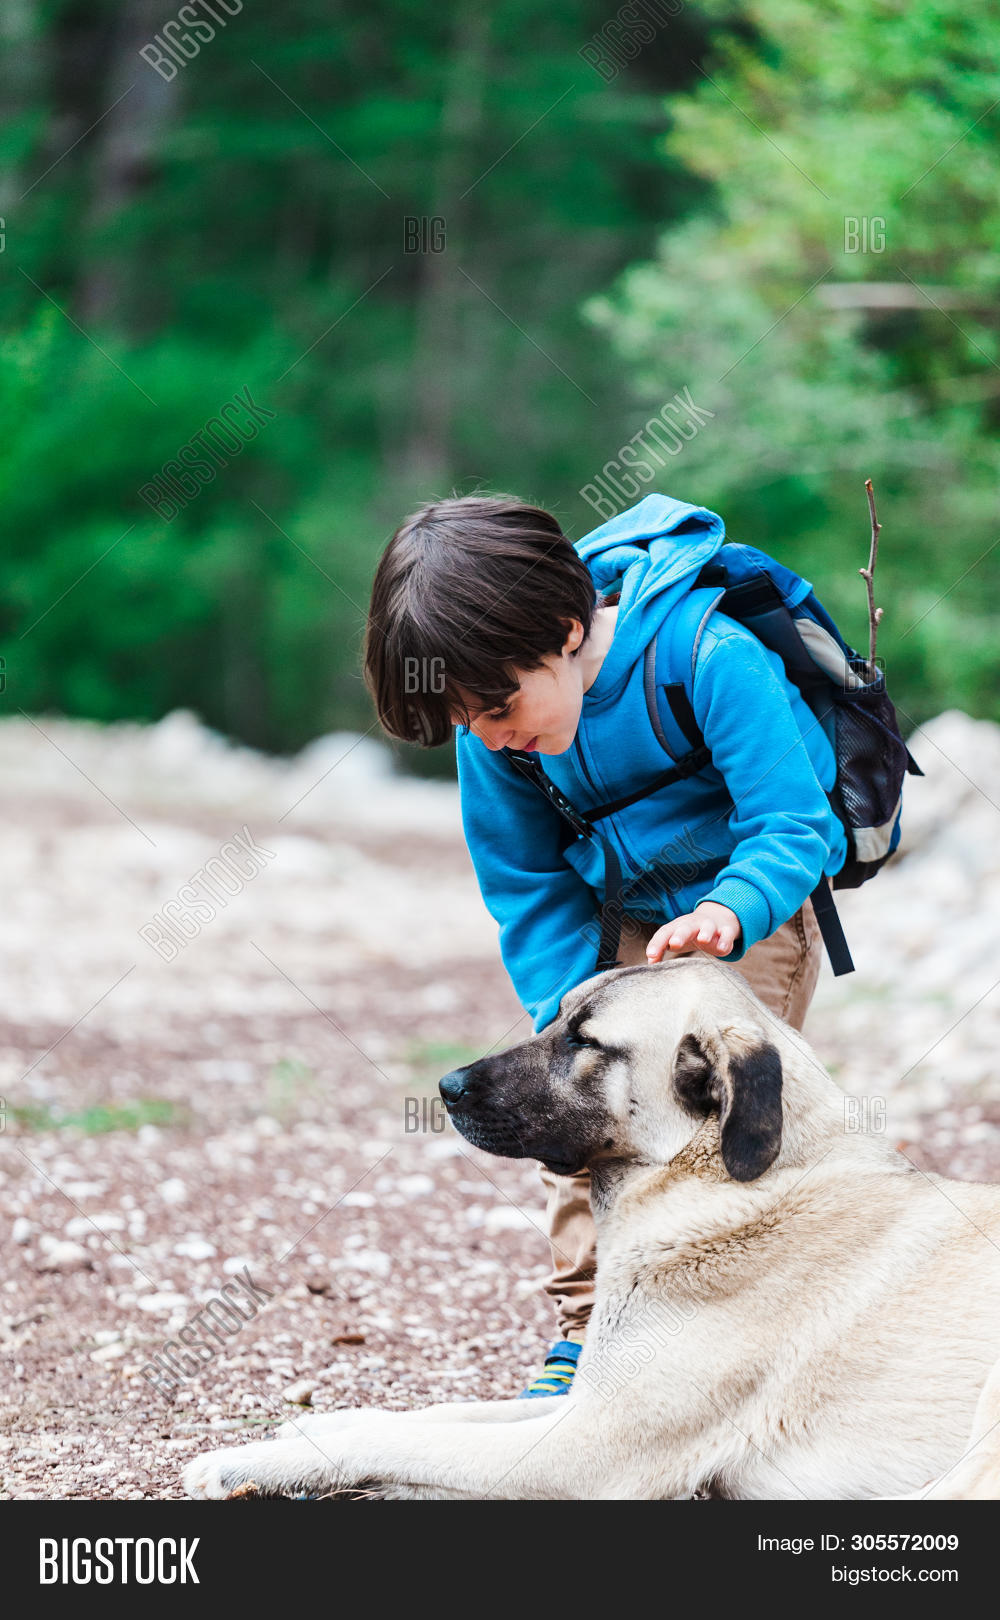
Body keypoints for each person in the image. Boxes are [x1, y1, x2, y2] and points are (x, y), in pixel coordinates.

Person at [363, 489, 846, 1397]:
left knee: (723, 1122)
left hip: (750, 912)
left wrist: (733, 910)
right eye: (468, 720)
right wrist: (563, 1011)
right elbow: (526, 883)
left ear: (567, 625)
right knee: (579, 1113)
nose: (494, 735)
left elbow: (792, 822)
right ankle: (590, 1341)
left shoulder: (708, 656)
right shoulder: (493, 736)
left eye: (499, 705)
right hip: (616, 920)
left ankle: (734, 1336)